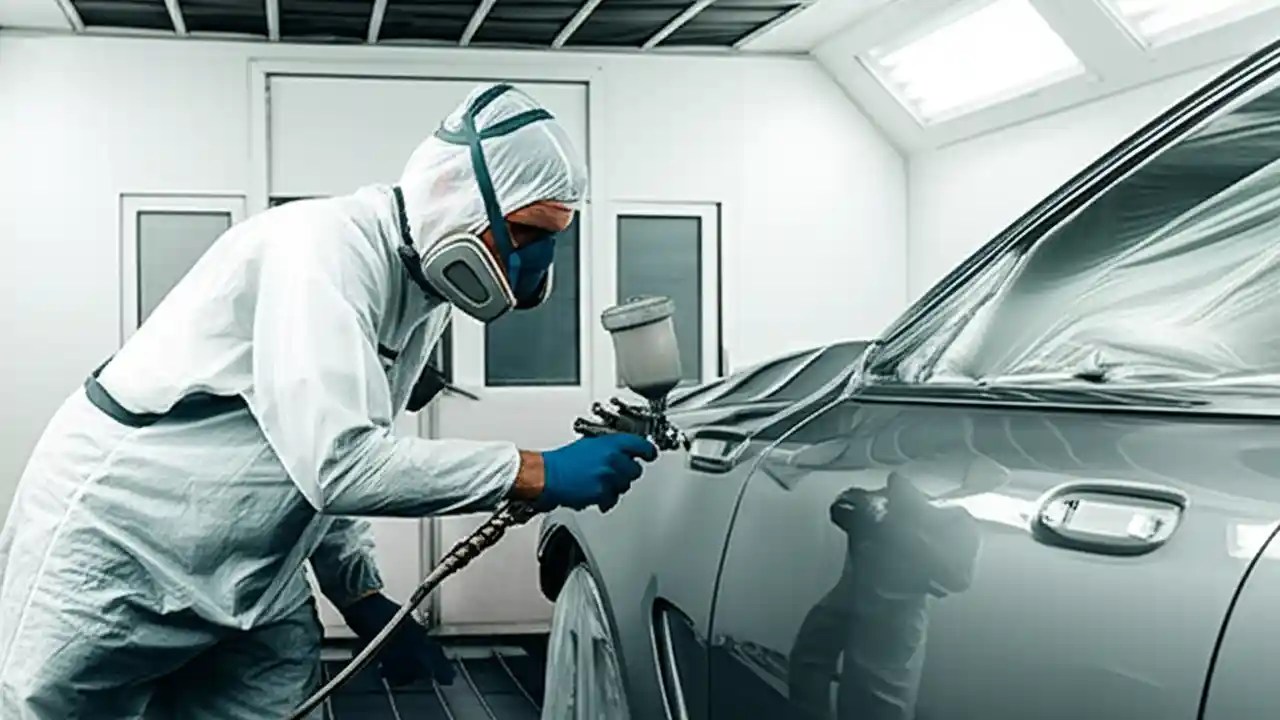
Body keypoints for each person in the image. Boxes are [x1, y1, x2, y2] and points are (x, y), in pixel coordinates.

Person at [0, 82, 657, 718]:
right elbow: (340, 466)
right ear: (458, 202)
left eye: (551, 240)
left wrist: (359, 589)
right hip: (121, 560)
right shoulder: (322, 251)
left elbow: (313, 455)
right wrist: (537, 471)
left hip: (256, 580)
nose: (533, 264)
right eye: (525, 233)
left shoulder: (424, 295)